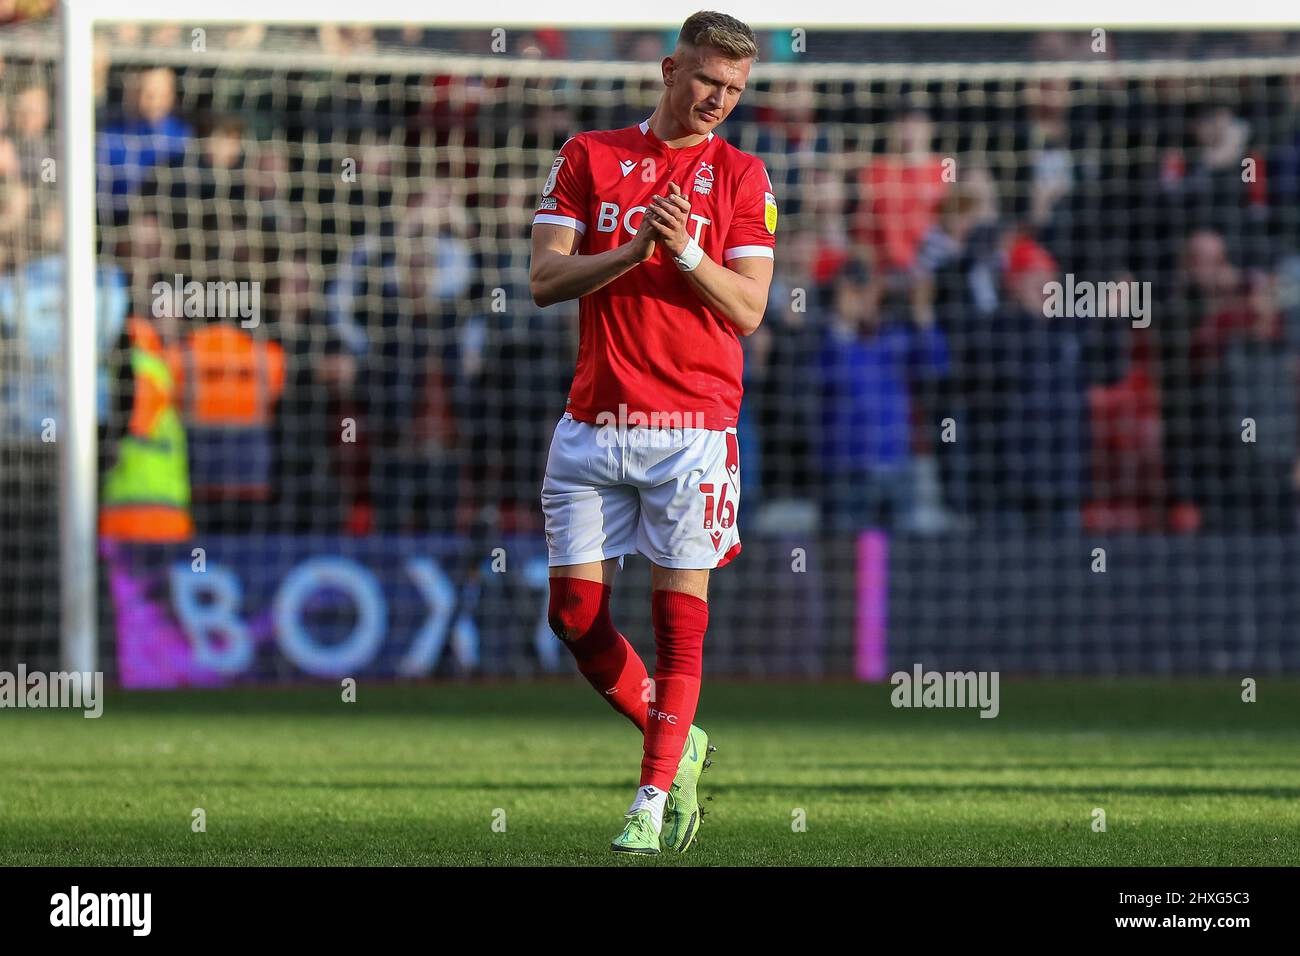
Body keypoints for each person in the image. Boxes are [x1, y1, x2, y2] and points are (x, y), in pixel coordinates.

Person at [529, 11, 774, 855]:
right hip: (595, 419)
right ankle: (682, 737)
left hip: (693, 427)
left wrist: (685, 256)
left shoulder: (743, 175)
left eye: (736, 89)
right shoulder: (589, 157)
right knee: (572, 614)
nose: (719, 100)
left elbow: (748, 308)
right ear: (671, 69)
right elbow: (544, 278)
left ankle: (652, 792)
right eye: (708, 80)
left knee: (679, 623)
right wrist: (634, 251)